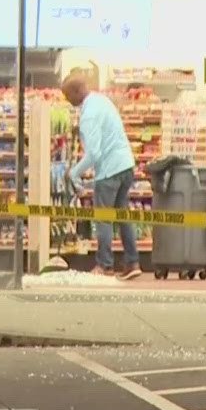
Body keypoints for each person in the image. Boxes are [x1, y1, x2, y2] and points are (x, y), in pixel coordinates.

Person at [62, 73, 141, 280]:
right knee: (123, 215)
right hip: (126, 165)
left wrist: (74, 172)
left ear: (76, 93)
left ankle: (105, 265)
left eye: (67, 96)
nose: (67, 101)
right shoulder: (102, 101)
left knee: (103, 218)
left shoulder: (88, 115)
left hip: (109, 171)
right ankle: (132, 262)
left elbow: (94, 154)